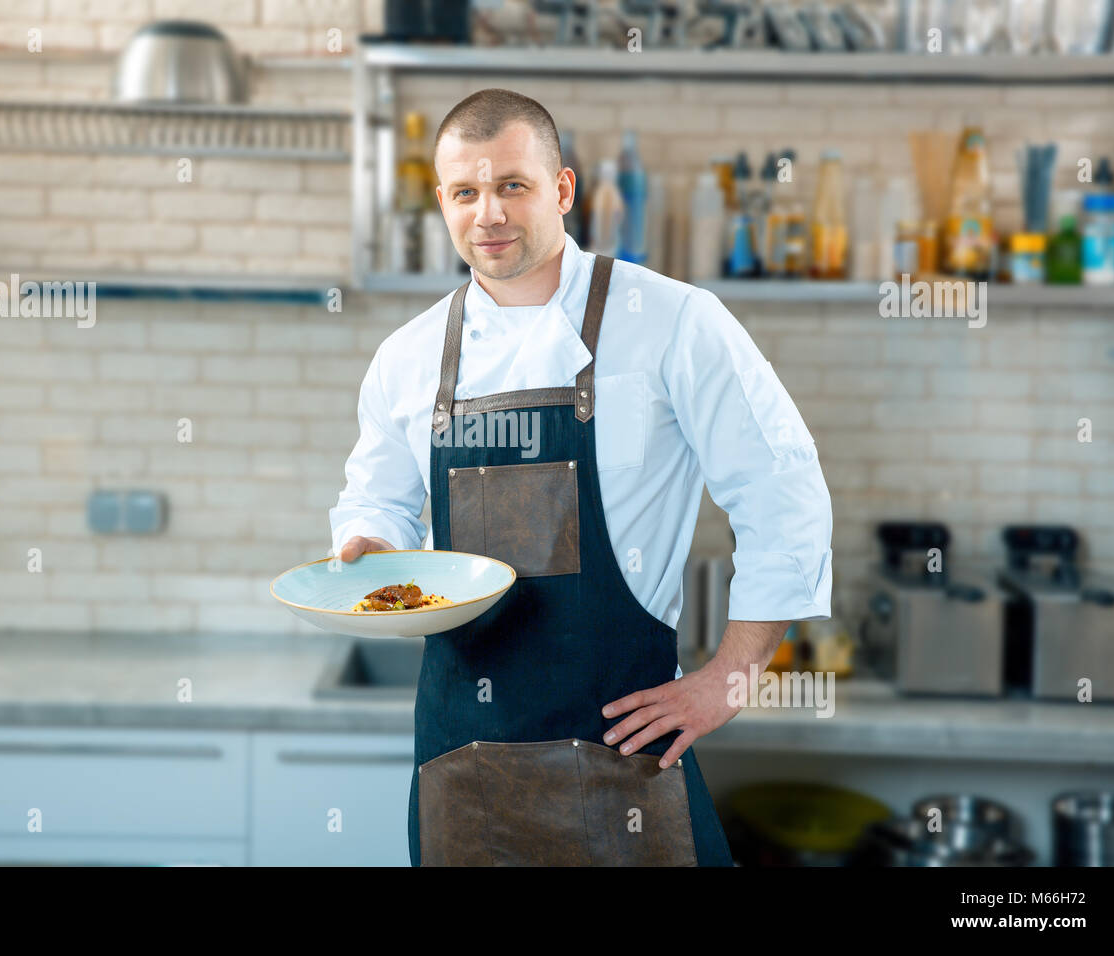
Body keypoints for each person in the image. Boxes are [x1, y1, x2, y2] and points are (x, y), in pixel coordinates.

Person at [329, 88, 833, 866]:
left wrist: (731, 677)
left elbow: (785, 490)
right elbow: (379, 501)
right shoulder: (408, 355)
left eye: (512, 186)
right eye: (465, 192)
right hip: (463, 760)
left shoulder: (673, 322)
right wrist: (368, 543)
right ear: (442, 202)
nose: (487, 213)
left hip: (625, 754)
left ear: (562, 190)